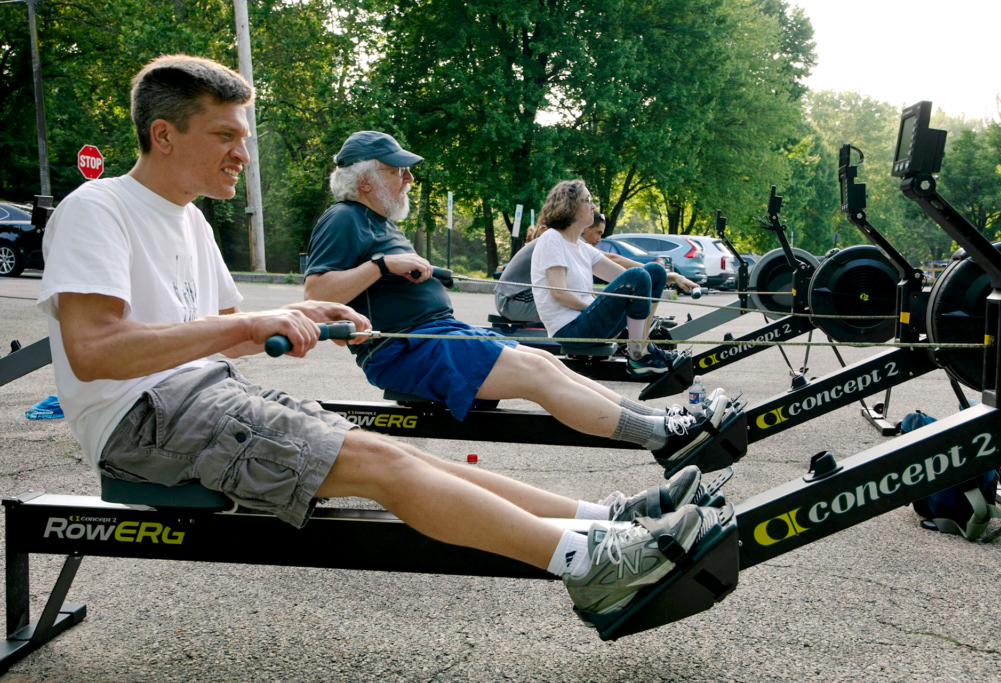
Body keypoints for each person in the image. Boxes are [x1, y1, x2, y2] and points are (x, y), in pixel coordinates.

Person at [36, 55, 726, 625]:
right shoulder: (98, 209)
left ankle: (604, 519)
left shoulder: (190, 222)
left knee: (394, 454)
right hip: (146, 423)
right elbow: (96, 350)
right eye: (225, 136)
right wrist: (255, 324)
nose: (243, 153)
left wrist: (309, 318)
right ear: (163, 134)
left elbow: (224, 338)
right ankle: (593, 566)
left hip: (202, 398)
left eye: (242, 136)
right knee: (383, 468)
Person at [304, 132, 723, 471]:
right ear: (364, 181)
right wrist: (382, 264)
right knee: (534, 375)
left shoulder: (375, 220)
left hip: (436, 336)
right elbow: (316, 295)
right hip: (405, 347)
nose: (409, 179)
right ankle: (665, 438)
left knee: (548, 364)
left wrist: (399, 266)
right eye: (398, 171)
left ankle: (662, 422)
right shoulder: (344, 217)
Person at [494, 211, 697, 329]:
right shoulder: (560, 239)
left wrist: (661, 276)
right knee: (576, 302)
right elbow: (612, 258)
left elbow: (616, 272)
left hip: (521, 296)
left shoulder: (572, 242)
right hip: (512, 299)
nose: (599, 239)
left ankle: (636, 337)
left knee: (588, 298)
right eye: (597, 232)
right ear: (584, 228)